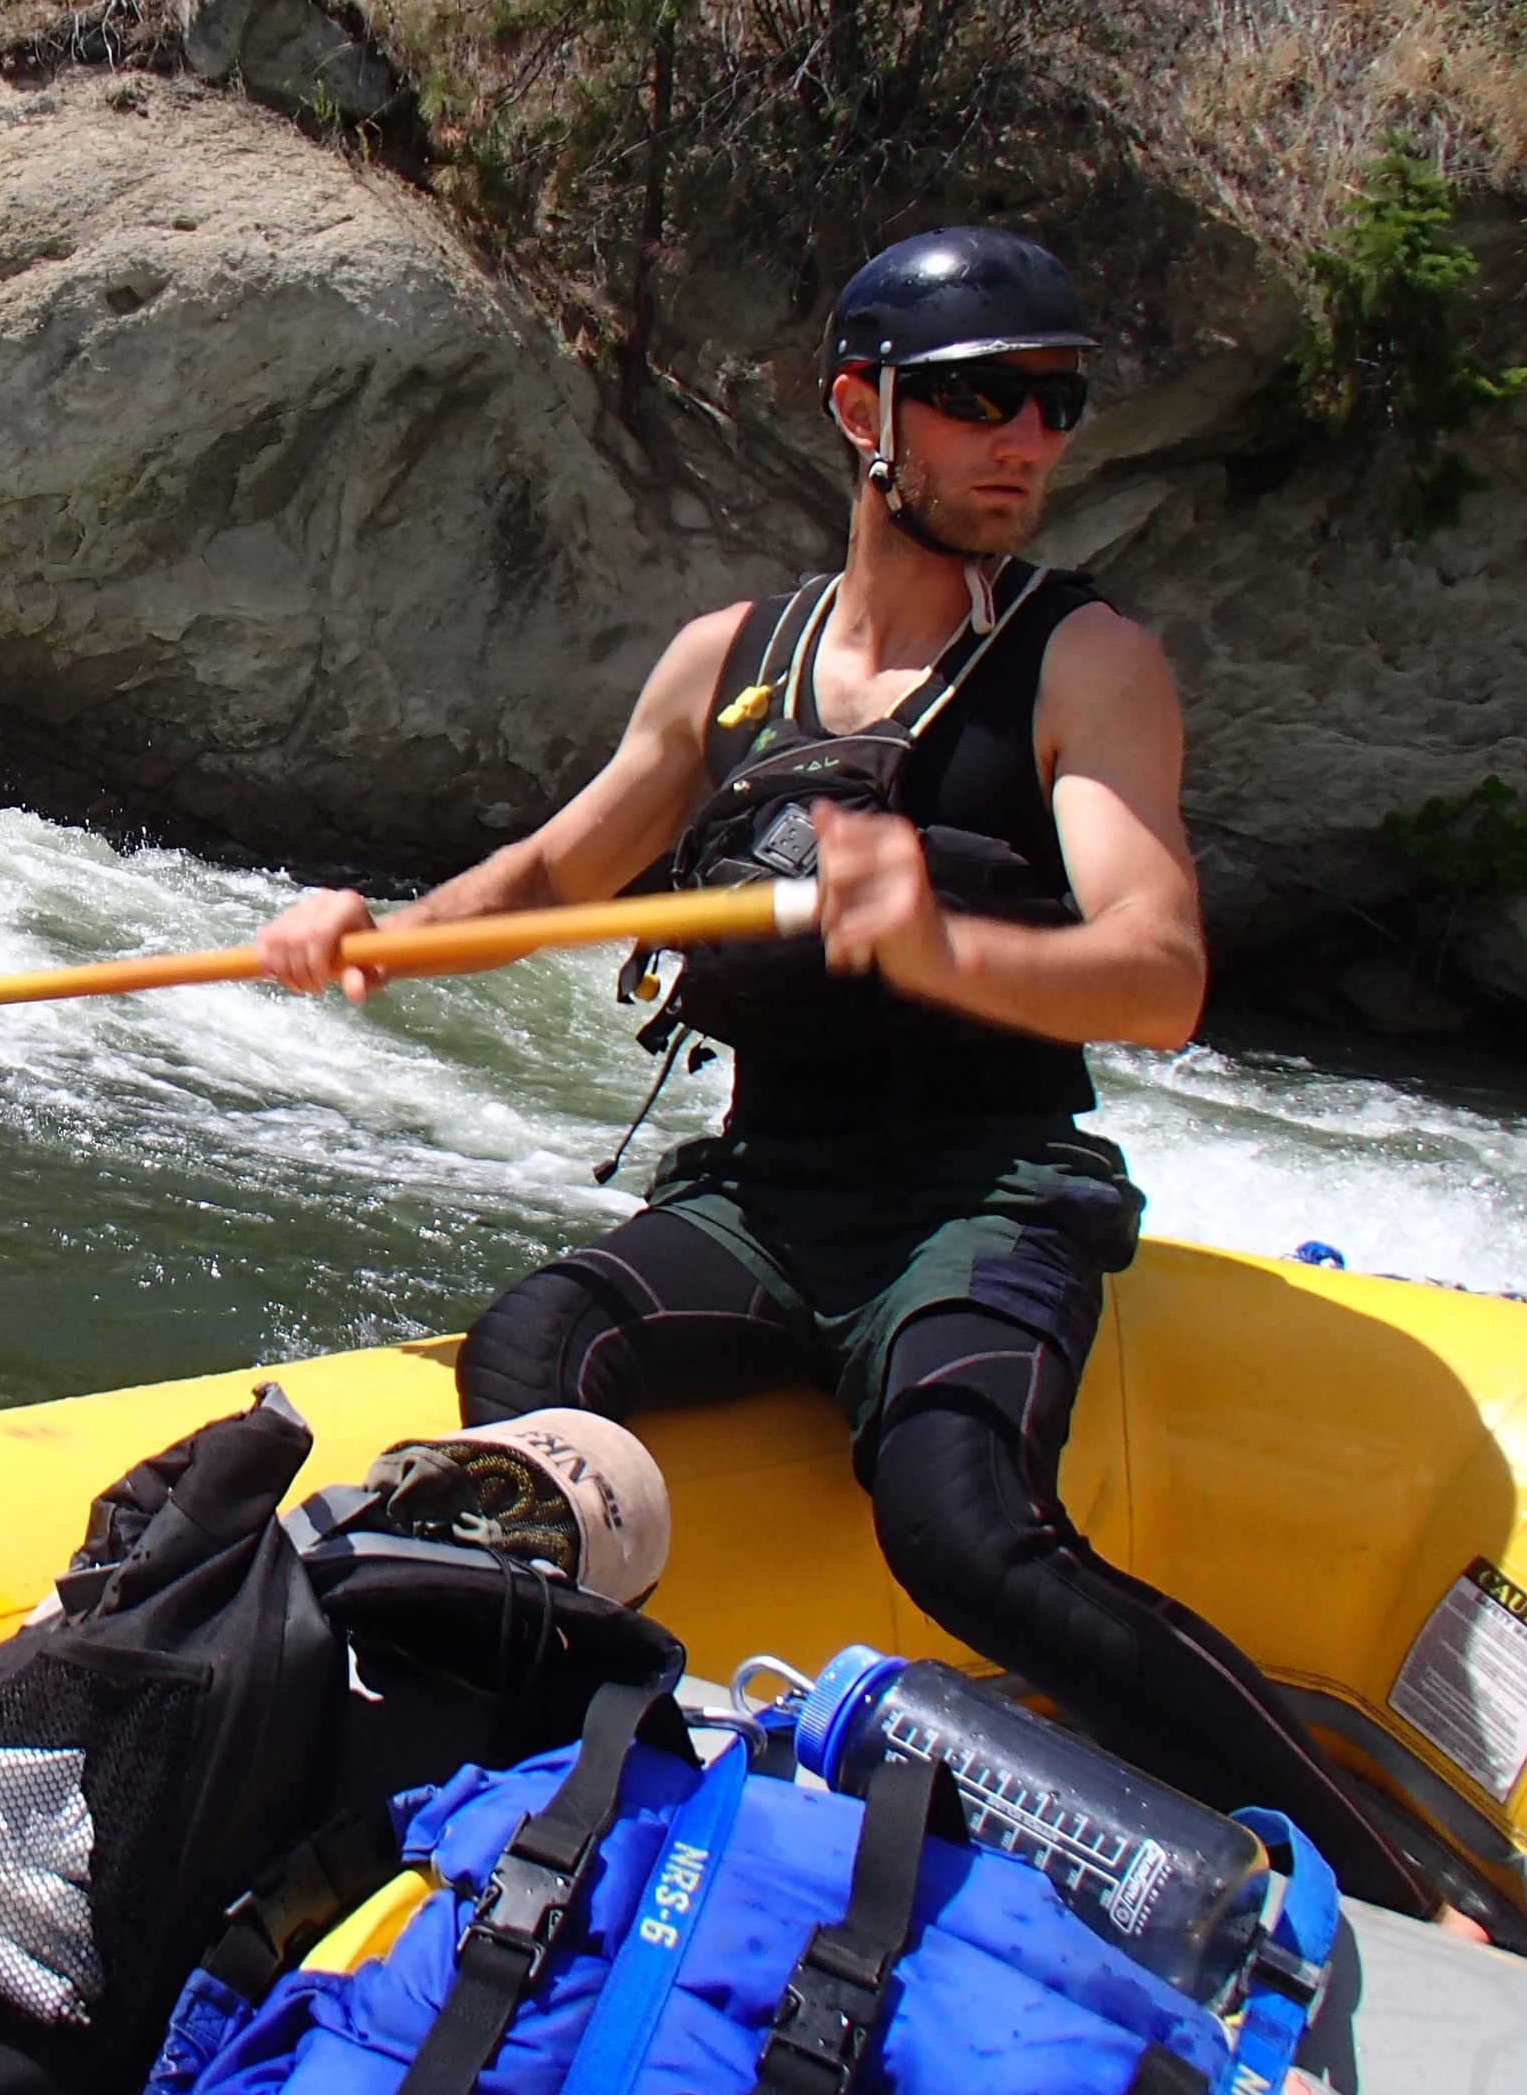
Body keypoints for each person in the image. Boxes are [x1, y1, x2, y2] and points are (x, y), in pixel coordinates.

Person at [255, 227, 1448, 1924]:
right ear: (859, 409)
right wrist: (378, 931)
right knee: (537, 1347)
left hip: (979, 1189)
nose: (1028, 436)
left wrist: (943, 945)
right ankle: (585, 1762)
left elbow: (1162, 973)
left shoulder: (1083, 659)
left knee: (958, 1522)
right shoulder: (731, 660)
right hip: (768, 1189)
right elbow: (549, 876)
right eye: (980, 400)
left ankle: (1394, 1884)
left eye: (1056, 397)